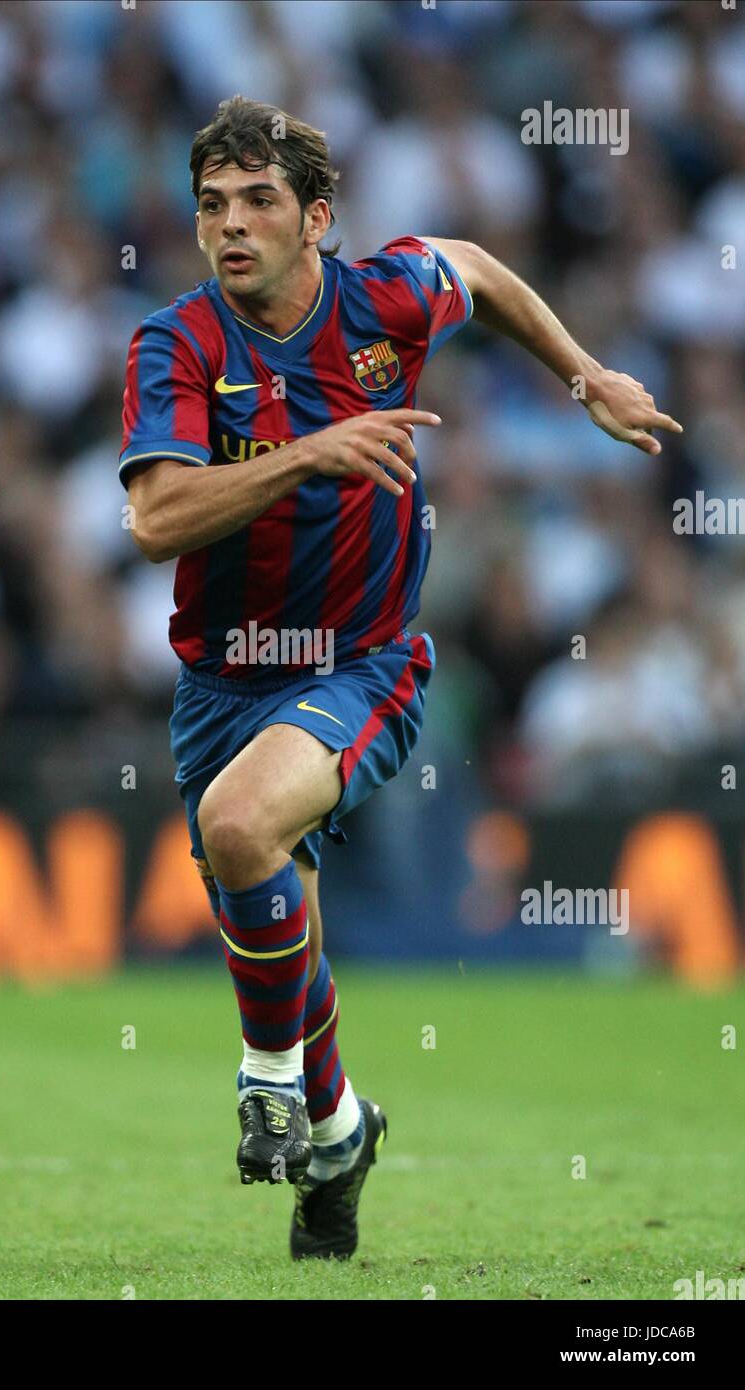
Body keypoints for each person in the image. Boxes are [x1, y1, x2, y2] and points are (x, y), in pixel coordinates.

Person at [118, 95, 681, 1260]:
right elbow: (156, 516)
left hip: (364, 662)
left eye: (259, 201)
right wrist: (311, 451)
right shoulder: (178, 344)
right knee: (283, 927)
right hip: (221, 682)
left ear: (318, 216)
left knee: (237, 827)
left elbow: (475, 268)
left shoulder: (383, 300)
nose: (231, 225)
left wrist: (585, 377)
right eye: (211, 205)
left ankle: (267, 1077)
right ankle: (337, 1131)